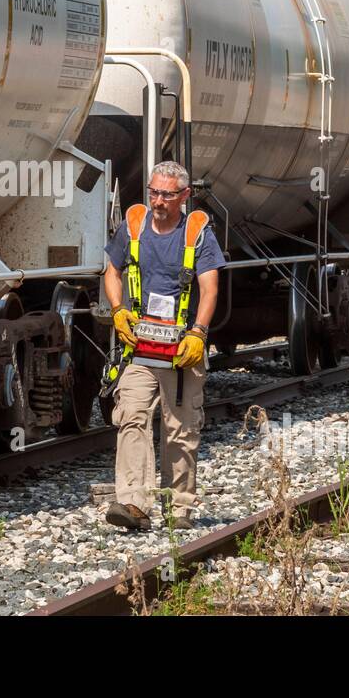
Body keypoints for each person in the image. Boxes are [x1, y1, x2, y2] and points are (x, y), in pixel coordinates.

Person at [101, 160, 222, 531]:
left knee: (180, 429)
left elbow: (210, 287)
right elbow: (111, 271)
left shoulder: (197, 234)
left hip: (181, 350)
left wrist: (199, 333)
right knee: (132, 418)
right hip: (138, 349)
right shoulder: (134, 227)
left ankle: (178, 508)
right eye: (154, 192)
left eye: (167, 194)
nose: (158, 200)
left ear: (184, 196)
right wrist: (118, 311)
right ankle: (134, 504)